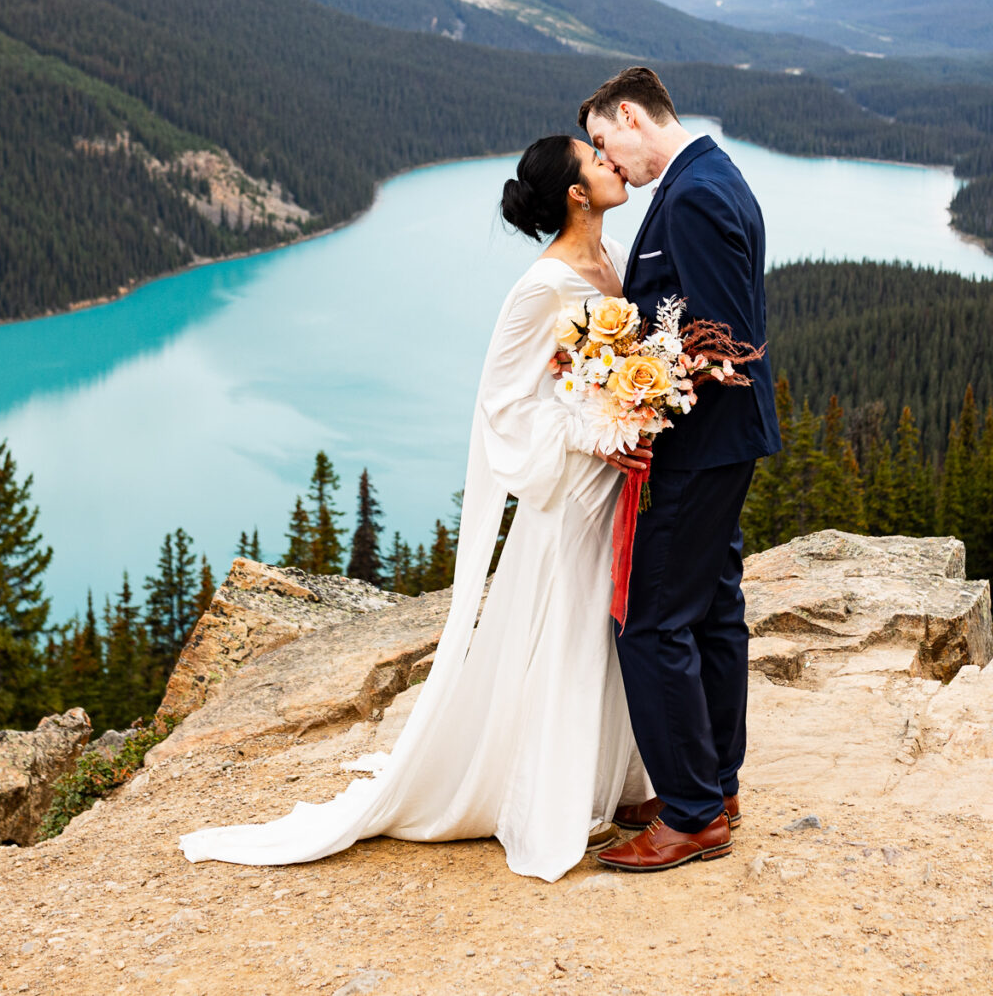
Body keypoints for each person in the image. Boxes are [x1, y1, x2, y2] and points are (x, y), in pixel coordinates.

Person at [177, 133, 652, 883]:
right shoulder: (541, 288)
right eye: (597, 160)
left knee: (614, 627)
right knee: (570, 629)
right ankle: (547, 797)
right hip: (574, 491)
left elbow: (611, 363)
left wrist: (639, 399)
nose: (612, 162)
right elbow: (501, 404)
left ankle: (623, 783)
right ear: (574, 192)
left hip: (618, 483)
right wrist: (600, 434)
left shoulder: (617, 253)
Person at [581, 66, 781, 873]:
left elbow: (722, 338)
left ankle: (694, 812)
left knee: (651, 617)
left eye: (602, 140)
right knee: (709, 611)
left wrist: (634, 404)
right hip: (723, 443)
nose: (606, 160)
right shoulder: (708, 174)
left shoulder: (695, 193)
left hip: (698, 447)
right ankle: (715, 787)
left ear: (630, 115)